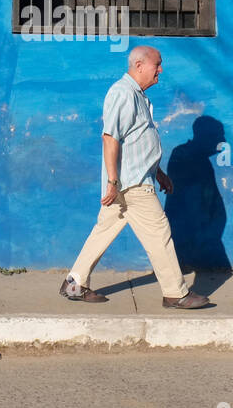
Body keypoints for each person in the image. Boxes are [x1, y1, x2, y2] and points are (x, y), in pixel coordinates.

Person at [60, 46, 212, 309]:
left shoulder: (138, 96)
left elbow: (137, 142)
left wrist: (159, 173)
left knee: (104, 229)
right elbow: (110, 137)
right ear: (140, 65)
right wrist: (113, 181)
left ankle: (75, 283)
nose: (161, 70)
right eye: (158, 64)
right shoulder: (123, 93)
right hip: (131, 184)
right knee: (159, 231)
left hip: (135, 178)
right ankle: (176, 293)